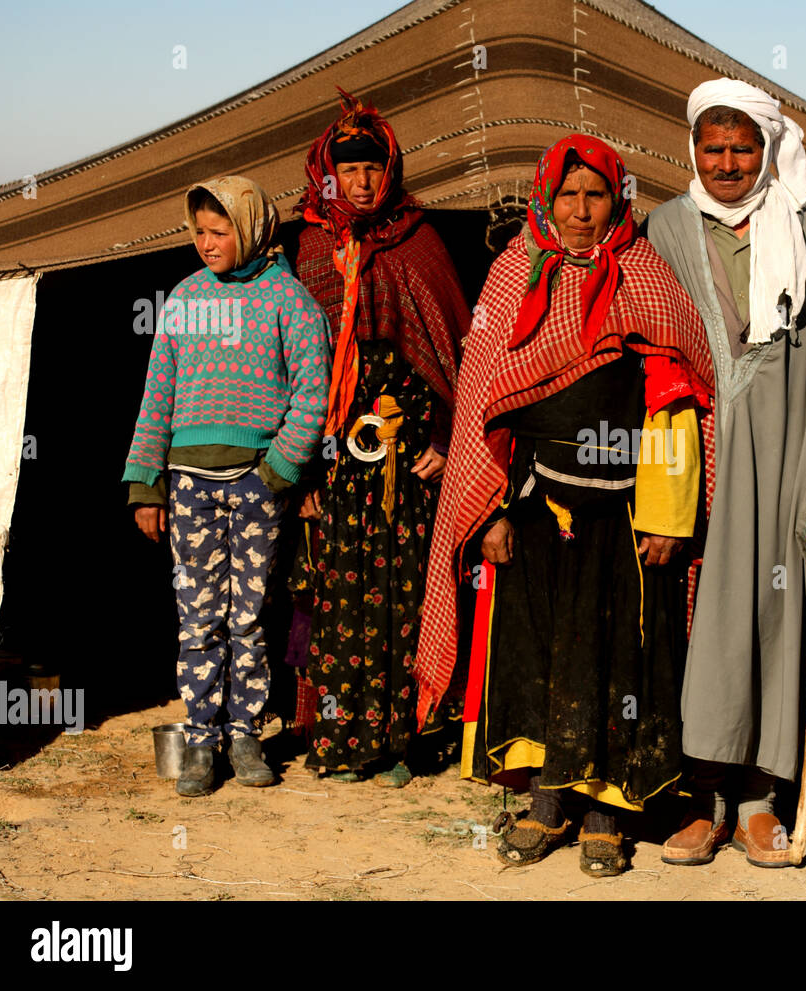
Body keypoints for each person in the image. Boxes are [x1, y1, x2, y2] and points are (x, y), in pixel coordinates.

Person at [416, 134, 715, 876]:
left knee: (621, 658)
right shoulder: (512, 273)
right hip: (535, 506)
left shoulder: (646, 276)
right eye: (569, 194)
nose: (582, 211)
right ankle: (548, 802)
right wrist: (487, 511)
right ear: (545, 198)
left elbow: (676, 397)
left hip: (628, 514)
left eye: (597, 195)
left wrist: (670, 515)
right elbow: (485, 400)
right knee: (539, 653)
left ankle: (609, 811)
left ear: (620, 199)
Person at [645, 79, 806, 867]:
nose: (729, 162)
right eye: (715, 146)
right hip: (692, 464)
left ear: (769, 149)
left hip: (786, 470)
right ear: (693, 148)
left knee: (776, 626)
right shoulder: (663, 231)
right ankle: (701, 798)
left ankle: (759, 802)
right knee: (697, 625)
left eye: (744, 147)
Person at [123, 176, 329, 797]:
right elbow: (158, 392)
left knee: (248, 614)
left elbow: (312, 392)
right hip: (188, 484)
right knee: (197, 616)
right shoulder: (183, 298)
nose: (207, 243)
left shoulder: (289, 300)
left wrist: (280, 469)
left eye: (220, 231)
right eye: (199, 232)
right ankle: (200, 739)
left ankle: (244, 733)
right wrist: (145, 483)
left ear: (253, 228)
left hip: (257, 483)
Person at [289, 90, 471, 786]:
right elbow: (292, 371)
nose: (361, 181)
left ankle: (404, 742)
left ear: (389, 169)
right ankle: (341, 740)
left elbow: (460, 350)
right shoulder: (309, 249)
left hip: (408, 461)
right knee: (338, 599)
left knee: (406, 598)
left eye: (372, 167)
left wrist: (447, 439)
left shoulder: (418, 242)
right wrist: (302, 471)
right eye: (349, 168)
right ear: (327, 174)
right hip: (336, 461)